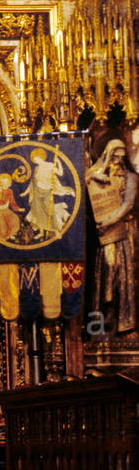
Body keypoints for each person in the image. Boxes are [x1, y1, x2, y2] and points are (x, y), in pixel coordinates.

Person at [86, 138, 138, 333]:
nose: (117, 161)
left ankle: (125, 322)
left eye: (120, 156)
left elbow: (128, 205)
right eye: (113, 156)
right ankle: (103, 321)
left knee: (124, 271)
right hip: (105, 233)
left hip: (125, 231)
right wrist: (97, 174)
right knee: (107, 269)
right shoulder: (102, 174)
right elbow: (85, 177)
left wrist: (108, 222)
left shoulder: (132, 178)